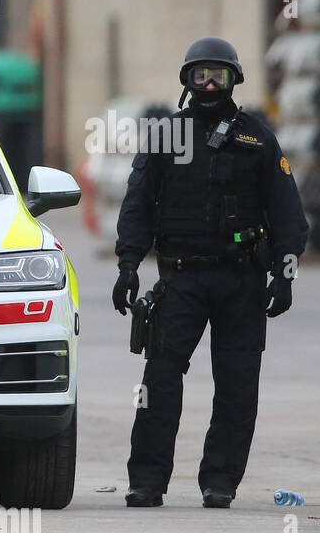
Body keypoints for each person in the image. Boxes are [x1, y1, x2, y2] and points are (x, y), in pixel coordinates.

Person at [114, 37, 308, 509]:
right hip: (179, 280)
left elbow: (288, 213)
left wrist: (284, 274)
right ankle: (147, 481)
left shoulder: (258, 139)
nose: (208, 84)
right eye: (199, 75)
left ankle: (220, 481)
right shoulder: (165, 136)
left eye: (218, 75)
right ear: (185, 81)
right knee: (158, 381)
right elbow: (137, 203)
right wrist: (127, 265)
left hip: (241, 282)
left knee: (238, 386)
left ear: (234, 80)